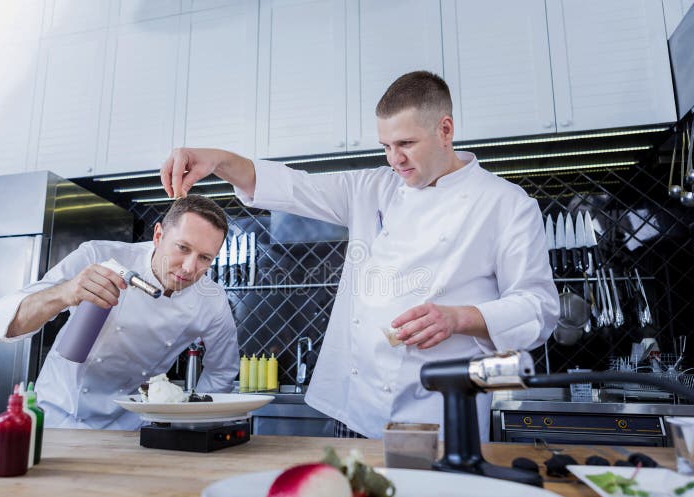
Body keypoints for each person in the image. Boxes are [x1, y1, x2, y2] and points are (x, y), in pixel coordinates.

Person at [160, 71, 560, 440]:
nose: (394, 159)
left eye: (405, 144)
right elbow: (294, 188)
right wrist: (218, 160)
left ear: (445, 129)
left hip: (438, 419)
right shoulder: (373, 188)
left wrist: (459, 318)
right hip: (354, 413)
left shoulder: (506, 204)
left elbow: (539, 309)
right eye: (386, 146)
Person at [0, 195, 239, 430]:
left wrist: (191, 422)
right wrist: (66, 292)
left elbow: (222, 370)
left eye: (205, 258)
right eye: (182, 247)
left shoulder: (213, 300)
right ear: (159, 235)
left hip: (130, 427)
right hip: (57, 415)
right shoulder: (99, 255)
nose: (189, 267)